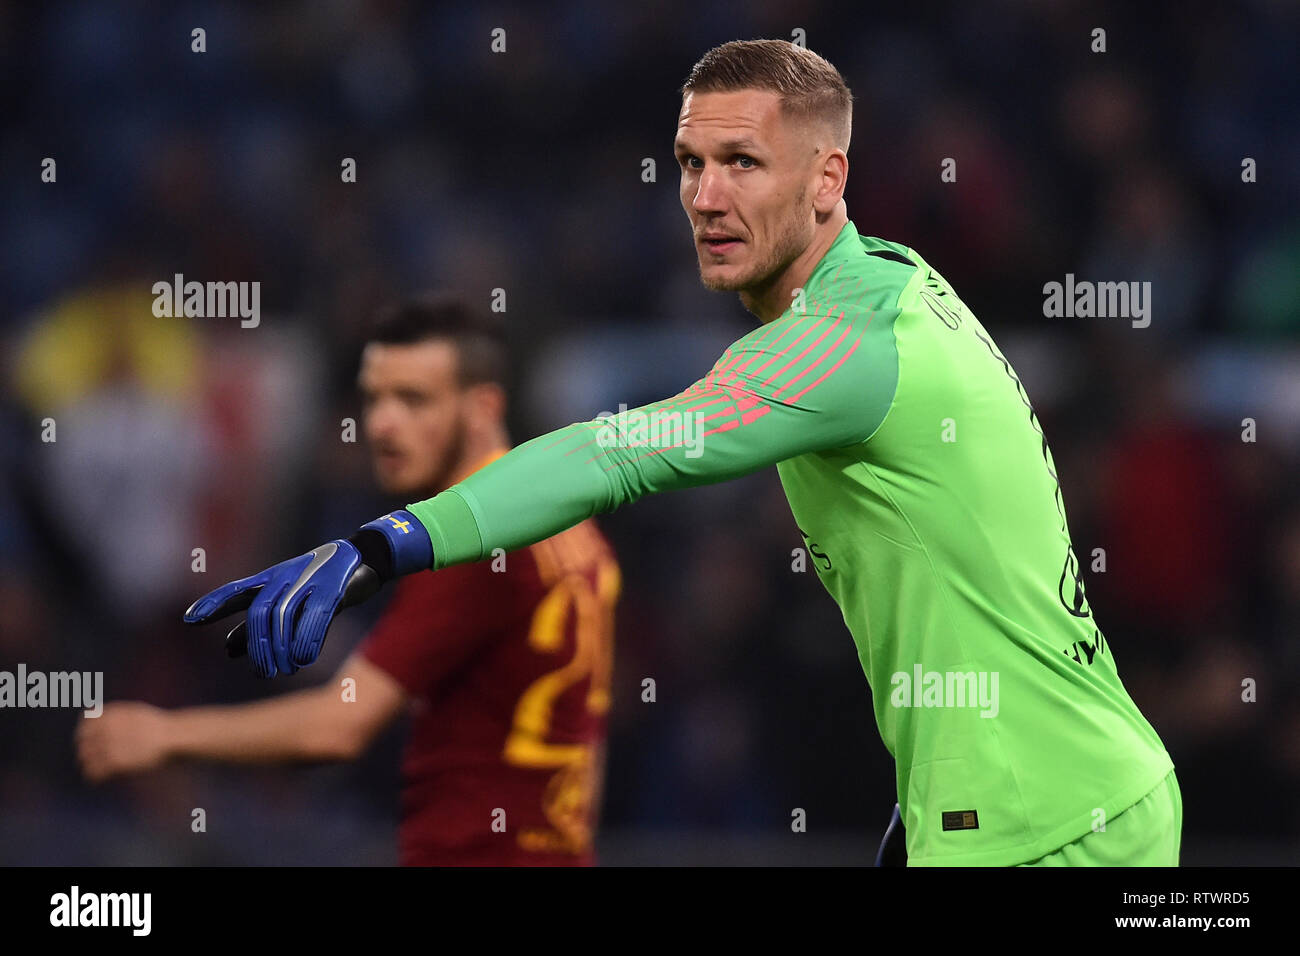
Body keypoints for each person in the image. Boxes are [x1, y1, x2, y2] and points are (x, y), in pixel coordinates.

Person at [183, 39, 1179, 867]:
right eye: (689, 162)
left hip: (1040, 826)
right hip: (1063, 795)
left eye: (742, 162)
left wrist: (386, 539)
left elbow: (616, 452)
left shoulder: (842, 347)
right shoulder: (897, 283)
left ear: (827, 177)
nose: (704, 195)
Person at [78, 295, 620, 866]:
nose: (383, 423)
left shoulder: (473, 550)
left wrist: (165, 735)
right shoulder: (576, 531)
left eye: (413, 400)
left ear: (482, 408)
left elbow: (338, 727)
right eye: (375, 398)